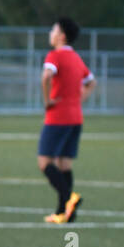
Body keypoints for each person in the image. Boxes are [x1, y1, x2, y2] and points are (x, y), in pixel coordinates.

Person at [38, 17, 96, 224]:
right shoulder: (76, 58)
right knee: (64, 164)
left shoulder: (55, 55)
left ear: (62, 36)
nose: (50, 34)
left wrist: (47, 101)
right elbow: (91, 82)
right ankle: (64, 213)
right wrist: (79, 99)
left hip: (58, 117)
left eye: (53, 30)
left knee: (45, 162)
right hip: (76, 118)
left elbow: (46, 77)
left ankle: (70, 197)